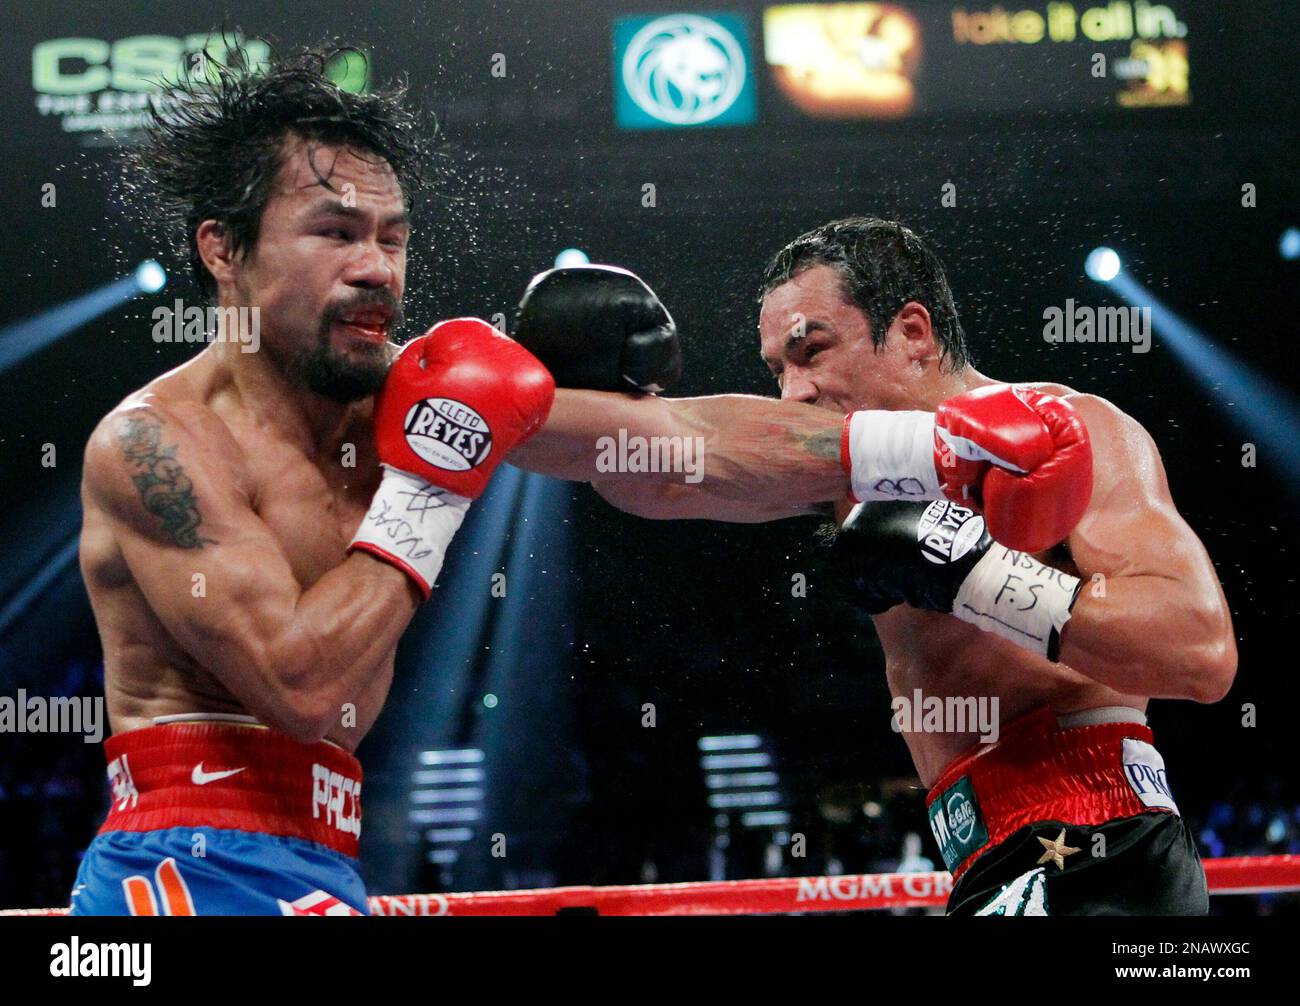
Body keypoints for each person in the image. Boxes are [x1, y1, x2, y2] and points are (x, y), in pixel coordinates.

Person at [511, 217, 1236, 915]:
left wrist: (975, 575)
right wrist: (577, 380)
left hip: (1097, 841)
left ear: (913, 333)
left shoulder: (1066, 433)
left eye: (811, 351)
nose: (792, 391)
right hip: (987, 855)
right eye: (777, 369)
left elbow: (1197, 654)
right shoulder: (843, 472)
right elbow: (649, 469)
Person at [72, 48, 553, 915]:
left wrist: (874, 444)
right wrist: (430, 484)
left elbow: (672, 442)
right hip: (185, 866)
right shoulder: (154, 444)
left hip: (324, 853)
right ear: (223, 247)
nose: (377, 267)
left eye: (392, 237)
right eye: (336, 233)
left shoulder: (414, 398)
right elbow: (298, 686)